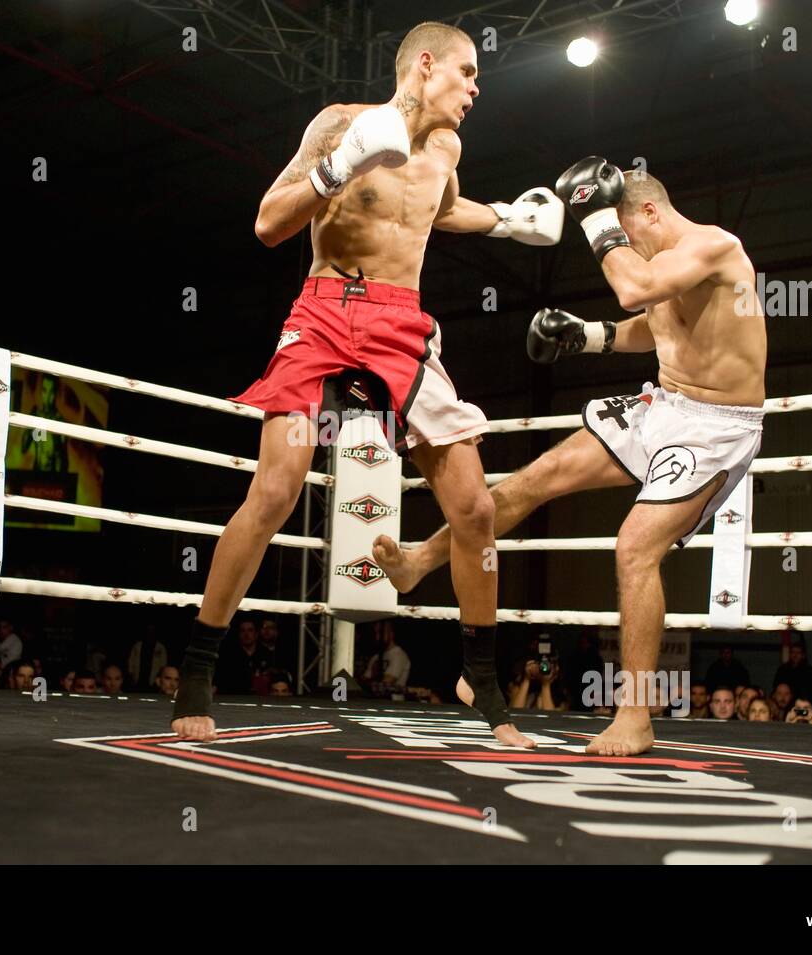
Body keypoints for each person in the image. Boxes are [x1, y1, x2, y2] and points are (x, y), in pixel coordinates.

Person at [171, 21, 560, 748]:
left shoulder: (447, 147)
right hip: (323, 313)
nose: (477, 90)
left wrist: (509, 221)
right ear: (425, 64)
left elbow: (441, 209)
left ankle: (489, 694)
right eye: (468, 73)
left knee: (474, 507)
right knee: (276, 489)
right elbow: (266, 223)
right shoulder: (341, 124)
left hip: (401, 325)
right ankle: (196, 670)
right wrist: (337, 167)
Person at [374, 162, 767, 757]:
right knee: (530, 482)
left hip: (717, 427)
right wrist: (587, 336)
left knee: (635, 547)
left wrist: (597, 219)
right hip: (661, 404)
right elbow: (656, 325)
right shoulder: (663, 263)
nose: (625, 250)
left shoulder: (716, 245)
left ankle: (634, 716)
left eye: (628, 234)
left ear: (650, 214)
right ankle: (415, 564)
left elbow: (634, 286)